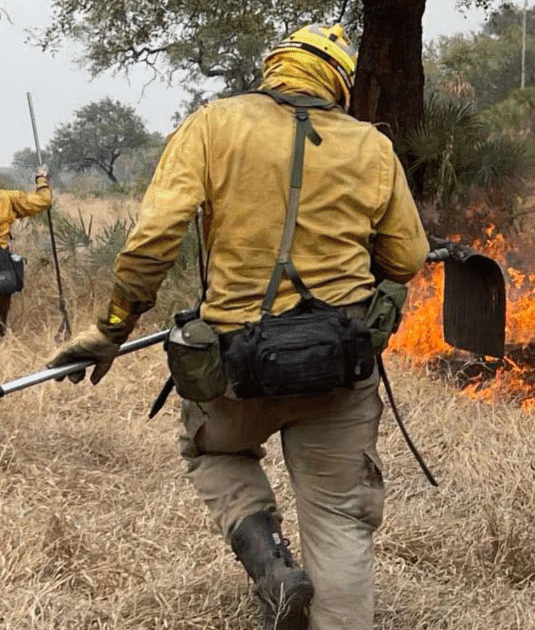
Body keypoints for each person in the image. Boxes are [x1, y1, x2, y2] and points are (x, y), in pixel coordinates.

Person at [47, 24, 429, 630]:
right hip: (338, 369)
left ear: (275, 68)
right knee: (338, 520)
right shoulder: (371, 147)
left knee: (209, 449)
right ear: (339, 83)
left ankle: (267, 560)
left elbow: (152, 243)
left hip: (236, 367)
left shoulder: (213, 125)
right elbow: (407, 259)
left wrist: (113, 329)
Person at [0, 164, 52, 335]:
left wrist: (42, 181)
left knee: (4, 291)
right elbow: (43, 201)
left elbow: (42, 201)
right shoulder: (7, 198)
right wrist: (41, 179)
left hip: (1, 256)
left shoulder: (7, 199)